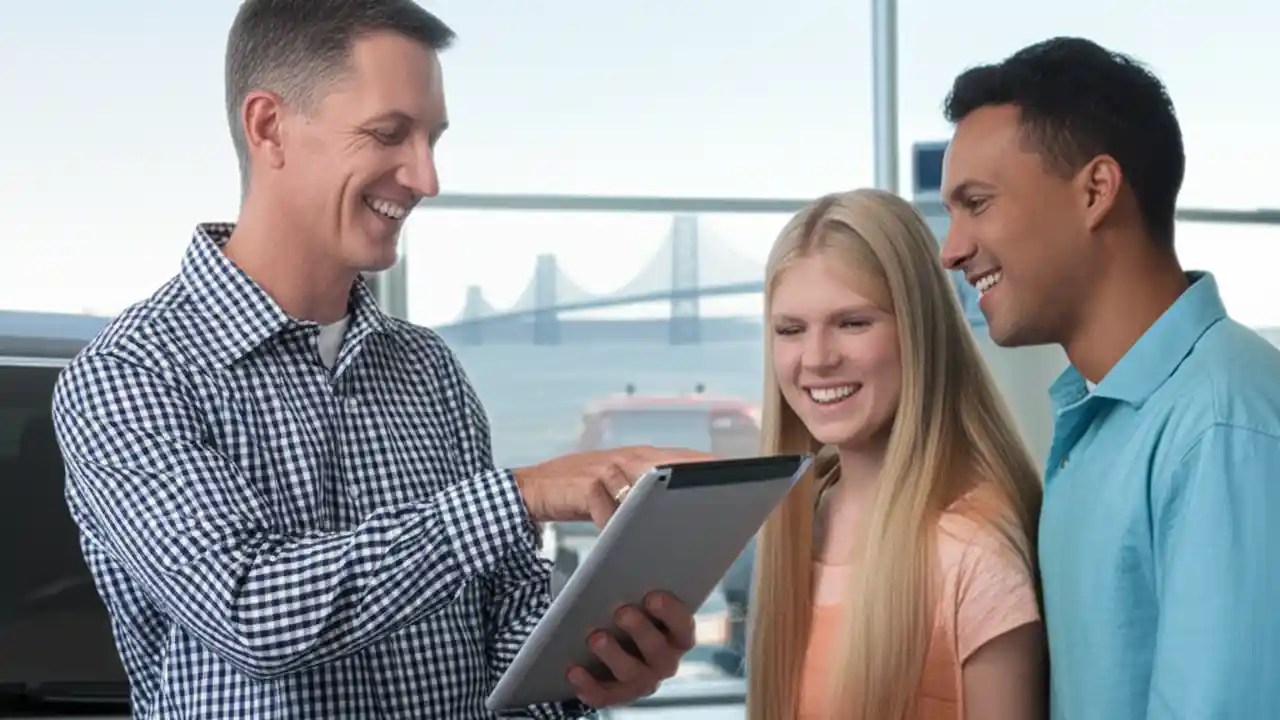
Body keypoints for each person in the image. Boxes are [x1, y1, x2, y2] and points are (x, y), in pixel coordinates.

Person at [49, 1, 708, 717]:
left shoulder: (429, 371)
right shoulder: (128, 375)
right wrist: (521, 493)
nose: (426, 178)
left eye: (431, 138)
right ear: (268, 126)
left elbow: (507, 624)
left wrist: (587, 672)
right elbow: (250, 611)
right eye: (389, 134)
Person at [939, 36, 1280, 719]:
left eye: (977, 203)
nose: (952, 250)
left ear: (1096, 191)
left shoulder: (1221, 423)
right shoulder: (1105, 419)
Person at [746, 188, 1047, 720]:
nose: (816, 359)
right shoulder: (797, 520)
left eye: (853, 323)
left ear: (918, 330)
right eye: (791, 330)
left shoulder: (972, 552)